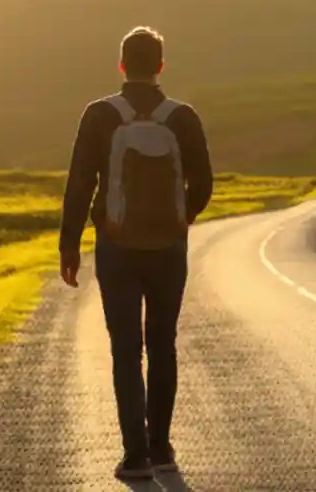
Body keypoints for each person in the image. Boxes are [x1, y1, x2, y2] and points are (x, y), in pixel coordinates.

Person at [58, 26, 213, 480]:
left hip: (116, 246)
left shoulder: (99, 115)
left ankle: (136, 455)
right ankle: (162, 446)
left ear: (122, 65)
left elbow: (80, 182)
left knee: (126, 349)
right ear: (161, 66)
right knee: (163, 343)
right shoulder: (182, 117)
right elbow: (203, 183)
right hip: (169, 247)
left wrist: (71, 242)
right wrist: (181, 220)